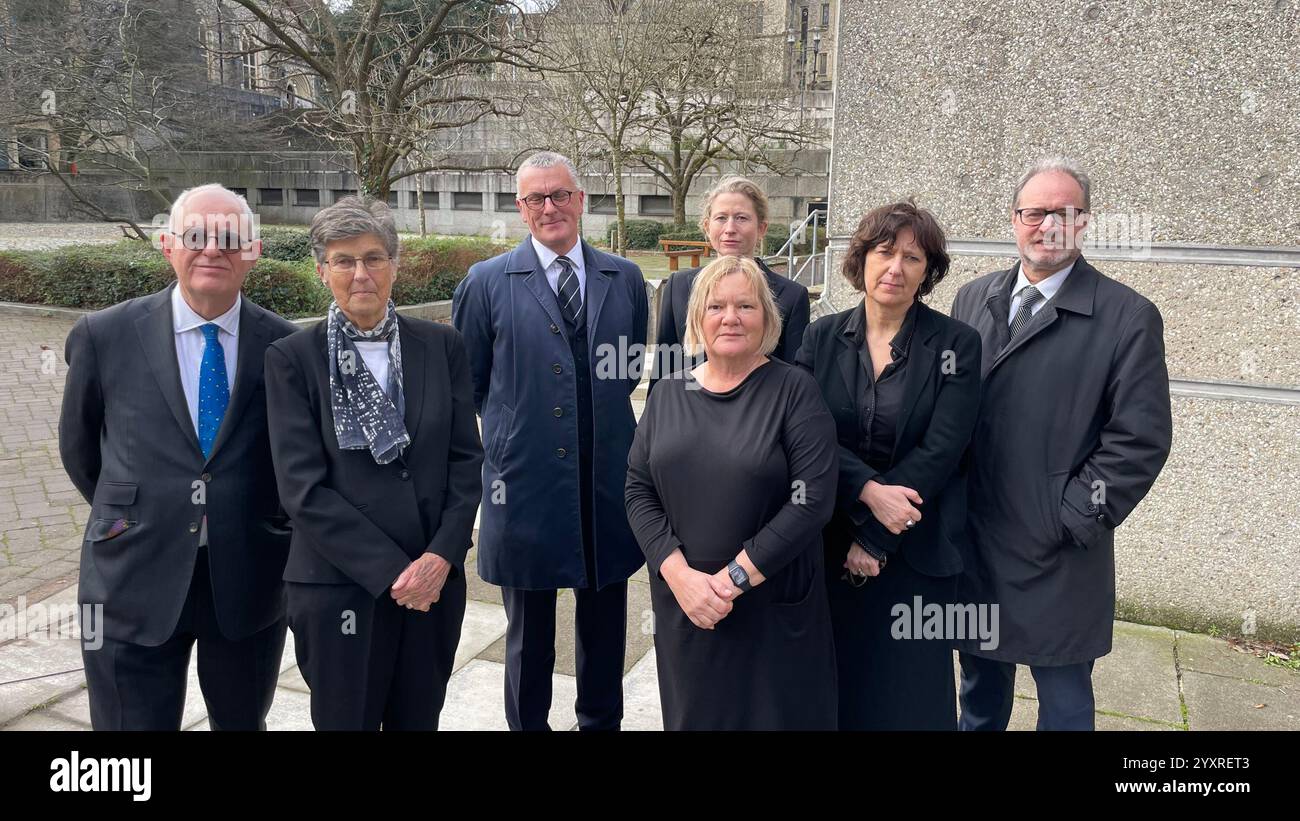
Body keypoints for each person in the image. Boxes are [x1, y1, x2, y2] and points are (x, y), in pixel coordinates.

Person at [59, 184, 298, 730]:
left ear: (254, 250)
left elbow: (293, 461)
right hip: (131, 577)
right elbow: (80, 450)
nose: (213, 249)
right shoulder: (105, 335)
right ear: (168, 245)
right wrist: (134, 515)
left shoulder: (285, 347)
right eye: (196, 235)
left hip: (249, 579)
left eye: (230, 238)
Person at [950, 157, 1173, 731]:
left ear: (1085, 223)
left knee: (1065, 697)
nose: (1048, 224)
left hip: (1059, 550)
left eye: (1065, 212)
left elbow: (1140, 439)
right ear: (1014, 219)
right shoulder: (972, 299)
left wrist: (1071, 516)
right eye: (1035, 211)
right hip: (978, 539)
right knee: (979, 691)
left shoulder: (1127, 317)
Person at [264, 197, 482, 730]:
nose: (361, 274)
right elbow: (302, 488)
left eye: (374, 257)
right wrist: (392, 573)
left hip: (431, 581)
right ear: (322, 271)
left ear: (394, 264)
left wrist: (440, 558)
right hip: (339, 585)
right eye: (343, 260)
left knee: (417, 719)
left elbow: (465, 460)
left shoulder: (441, 345)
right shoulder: (292, 358)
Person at [452, 152, 648, 731]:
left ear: (581, 199)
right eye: (535, 198)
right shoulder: (486, 282)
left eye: (560, 194)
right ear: (520, 209)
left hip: (606, 479)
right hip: (525, 483)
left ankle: (599, 723)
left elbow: (628, 370)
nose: (549, 208)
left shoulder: (625, 277)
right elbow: (470, 382)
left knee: (604, 627)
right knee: (529, 635)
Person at [626, 255, 839, 730]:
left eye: (745, 306)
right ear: (698, 317)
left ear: (767, 317)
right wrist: (680, 578)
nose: (730, 317)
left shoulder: (794, 390)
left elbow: (813, 500)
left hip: (770, 607)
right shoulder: (668, 393)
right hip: (686, 608)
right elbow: (638, 490)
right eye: (716, 306)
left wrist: (729, 582)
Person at [796, 200, 982, 730]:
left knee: (909, 697)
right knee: (835, 685)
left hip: (917, 545)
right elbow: (806, 434)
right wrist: (870, 492)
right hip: (830, 538)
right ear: (862, 259)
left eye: (913, 258)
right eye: (885, 252)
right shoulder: (820, 337)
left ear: (929, 272)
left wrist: (878, 536)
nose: (896, 268)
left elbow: (945, 448)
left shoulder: (956, 344)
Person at [650, 176, 810, 389]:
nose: (730, 228)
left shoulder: (791, 295)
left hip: (758, 414)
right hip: (688, 412)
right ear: (707, 226)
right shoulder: (679, 286)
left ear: (761, 228)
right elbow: (665, 364)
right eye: (721, 218)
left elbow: (795, 381)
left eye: (742, 218)